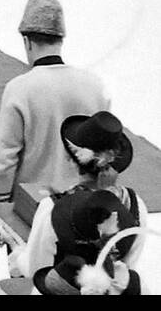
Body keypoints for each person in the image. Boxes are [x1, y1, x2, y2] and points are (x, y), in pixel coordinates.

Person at [0, 0, 110, 208]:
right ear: (61, 39)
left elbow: (4, 160)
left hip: (33, 206)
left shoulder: (20, 89)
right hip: (84, 208)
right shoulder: (95, 86)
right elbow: (106, 153)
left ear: (27, 41)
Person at [17, 111, 147, 282]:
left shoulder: (52, 207)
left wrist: (19, 255)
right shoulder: (136, 205)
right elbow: (126, 268)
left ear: (72, 159)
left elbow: (36, 269)